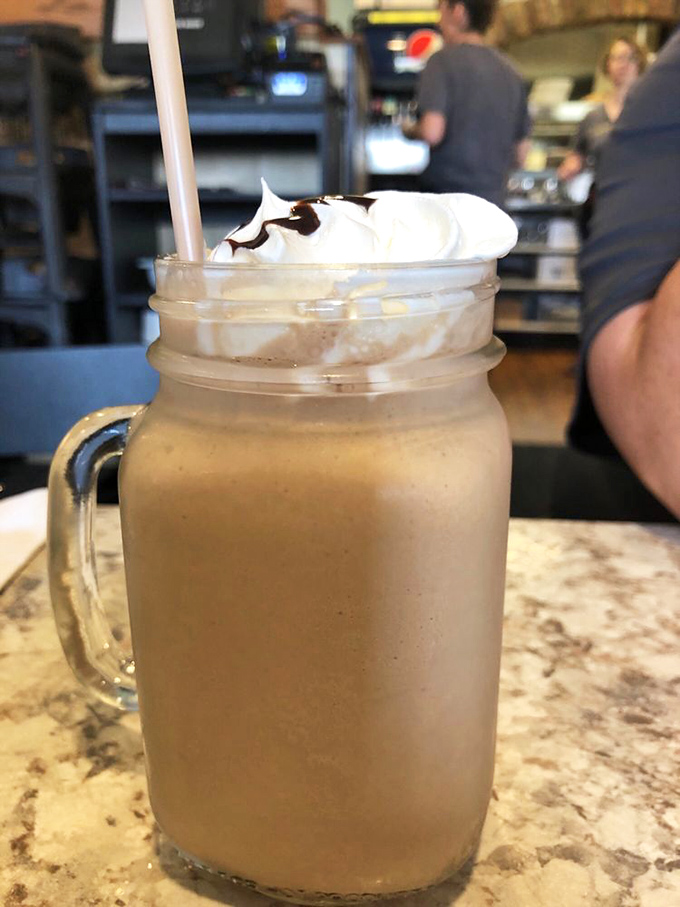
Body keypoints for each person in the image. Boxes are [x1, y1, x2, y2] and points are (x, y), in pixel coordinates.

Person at [568, 29, 680, 519]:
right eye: (611, 58)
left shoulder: (643, 101)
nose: (618, 65)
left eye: (625, 57)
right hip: (609, 214)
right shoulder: (595, 112)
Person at [404, 0, 531, 207]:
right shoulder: (512, 73)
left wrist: (408, 130)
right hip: (494, 205)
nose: (438, 21)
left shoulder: (441, 62)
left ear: (458, 11)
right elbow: (521, 154)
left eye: (441, 11)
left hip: (448, 203)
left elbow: (431, 132)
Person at [558, 37, 646, 181]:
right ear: (607, 65)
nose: (622, 64)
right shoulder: (592, 118)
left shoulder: (649, 112)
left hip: (640, 194)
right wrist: (571, 167)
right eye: (616, 58)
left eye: (630, 58)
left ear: (640, 64)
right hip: (603, 195)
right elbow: (576, 157)